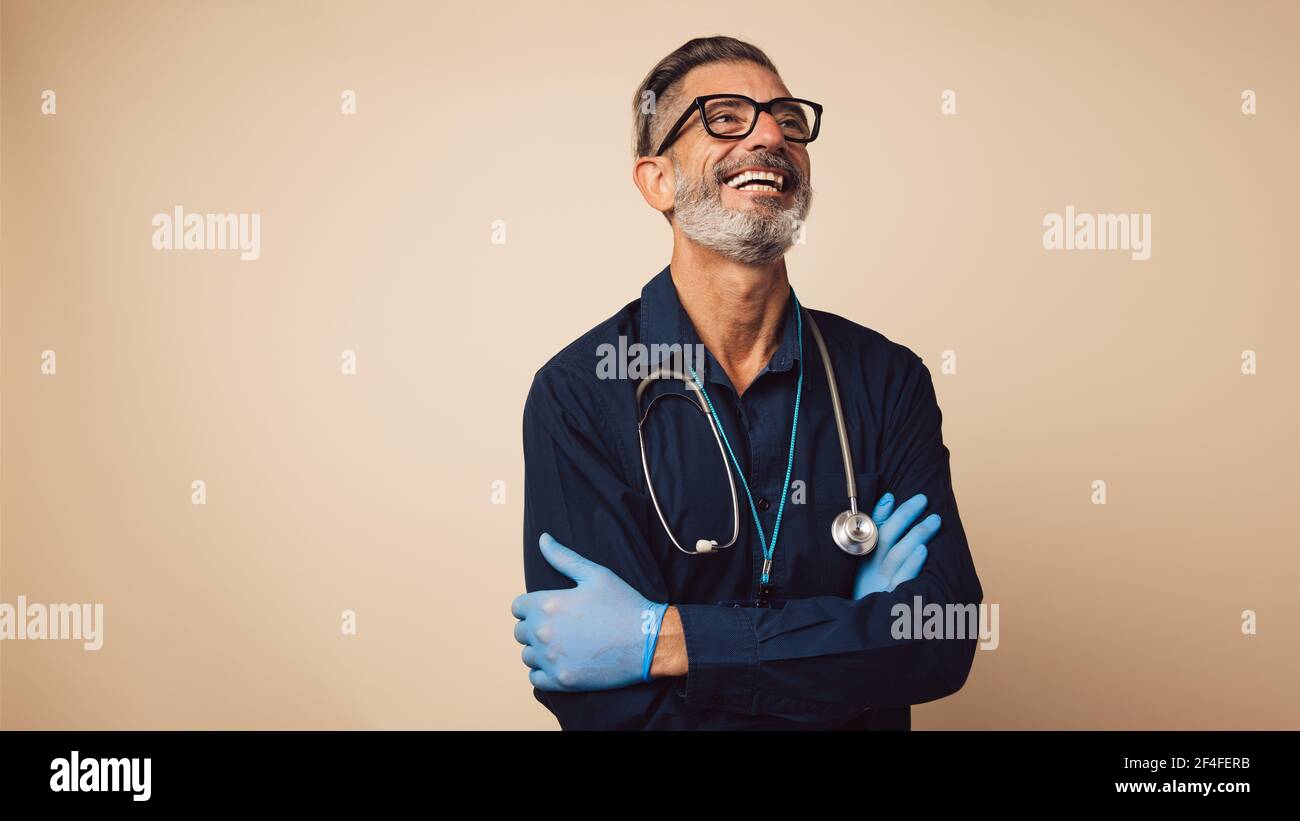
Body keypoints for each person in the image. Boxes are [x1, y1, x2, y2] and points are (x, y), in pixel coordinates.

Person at [511, 36, 983, 730]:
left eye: (788, 120)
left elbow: (940, 638)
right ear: (657, 181)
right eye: (725, 118)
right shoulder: (578, 394)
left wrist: (663, 640)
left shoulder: (887, 379)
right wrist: (853, 632)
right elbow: (609, 708)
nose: (770, 134)